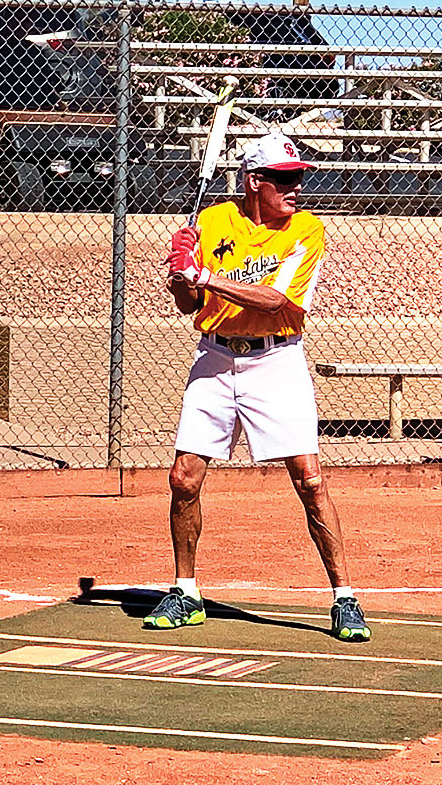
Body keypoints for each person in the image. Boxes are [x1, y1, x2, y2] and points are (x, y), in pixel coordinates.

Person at [153, 130, 371, 643]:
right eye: (284, 179)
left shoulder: (306, 230)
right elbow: (189, 306)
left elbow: (275, 300)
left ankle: (344, 598)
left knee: (310, 481)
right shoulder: (212, 222)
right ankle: (186, 591)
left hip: (276, 361)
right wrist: (182, 277)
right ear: (255, 182)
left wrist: (204, 277)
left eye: (298, 179)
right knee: (183, 478)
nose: (296, 188)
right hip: (215, 355)